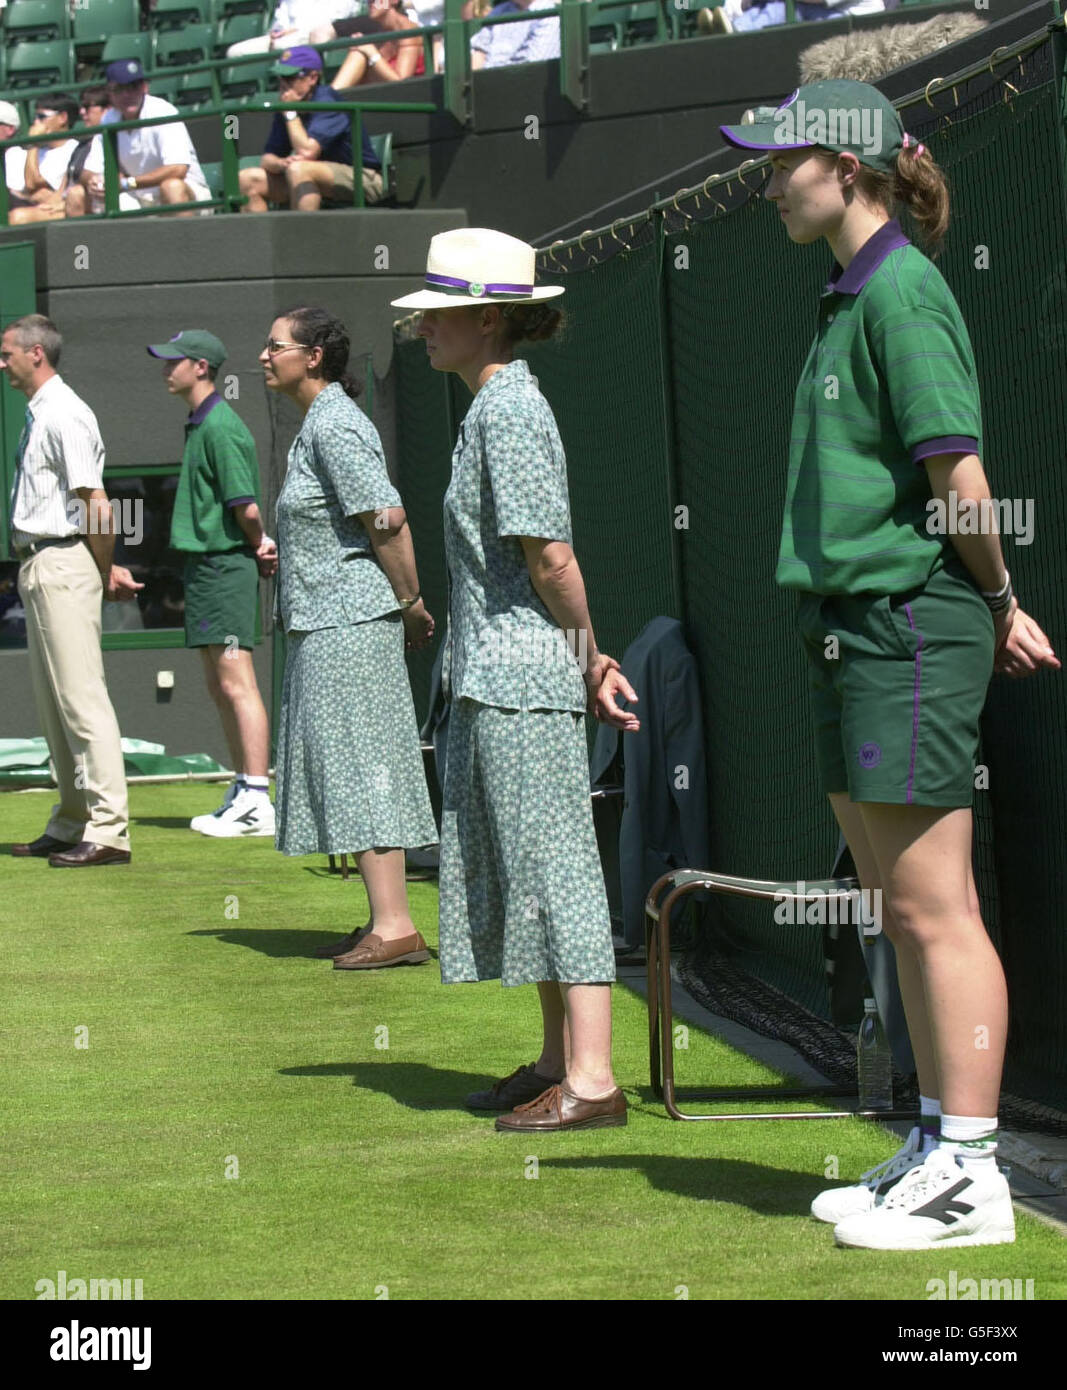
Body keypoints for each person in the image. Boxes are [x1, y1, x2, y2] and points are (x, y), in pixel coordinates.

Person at [720, 81, 1060, 1249]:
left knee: (933, 908)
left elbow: (958, 483)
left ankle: (971, 1176)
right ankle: (934, 1137)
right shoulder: (848, 292)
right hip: (854, 625)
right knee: (898, 908)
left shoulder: (904, 293)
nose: (764, 179)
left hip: (906, 623)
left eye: (780, 161)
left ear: (848, 172)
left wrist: (998, 598)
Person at [390, 228, 639, 1129]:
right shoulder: (489, 408)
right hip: (491, 680)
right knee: (522, 874)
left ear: (489, 316)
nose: (421, 329)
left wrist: (589, 659)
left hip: (523, 680)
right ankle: (551, 1063)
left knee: (556, 871)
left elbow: (552, 560)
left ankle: (594, 1081)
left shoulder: (513, 410)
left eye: (436, 313)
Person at [262, 306, 439, 969]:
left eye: (274, 345)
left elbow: (387, 522)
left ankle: (395, 926)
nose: (263, 355)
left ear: (312, 356)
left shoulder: (336, 425)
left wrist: (412, 603)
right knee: (347, 767)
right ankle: (382, 918)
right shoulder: (319, 424)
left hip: (350, 622)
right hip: (325, 620)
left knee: (366, 767)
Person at [5, 315, 142, 868]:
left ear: (36, 354)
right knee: (54, 706)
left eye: (6, 352)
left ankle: (109, 831)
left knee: (83, 701)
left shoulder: (64, 413)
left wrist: (101, 567)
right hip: (40, 562)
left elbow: (97, 503)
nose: (1, 362)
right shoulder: (41, 415)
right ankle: (71, 821)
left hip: (63, 559)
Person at [145, 330, 277, 837]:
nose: (165, 369)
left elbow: (244, 507)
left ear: (201, 367)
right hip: (208, 569)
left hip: (225, 568)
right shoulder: (201, 424)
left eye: (173, 361)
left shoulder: (221, 427)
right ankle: (244, 787)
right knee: (218, 683)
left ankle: (259, 800)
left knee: (236, 681)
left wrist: (259, 540)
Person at [238, 47, 384, 212]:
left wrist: (290, 113)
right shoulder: (288, 106)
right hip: (311, 176)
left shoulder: (326, 102)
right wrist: (280, 163)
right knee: (247, 179)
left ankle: (302, 236)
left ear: (313, 77)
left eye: (290, 77)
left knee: (299, 169)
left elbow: (307, 152)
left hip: (362, 177)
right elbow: (267, 159)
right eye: (280, 78)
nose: (283, 85)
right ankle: (261, 238)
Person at [70, 59, 211, 219]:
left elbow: (177, 169)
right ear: (110, 93)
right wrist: (95, 181)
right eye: (119, 89)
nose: (127, 94)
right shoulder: (109, 119)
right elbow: (88, 170)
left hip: (187, 193)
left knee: (171, 187)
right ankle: (83, 245)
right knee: (76, 194)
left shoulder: (162, 110)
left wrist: (125, 183)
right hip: (136, 195)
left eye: (133, 87)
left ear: (144, 87)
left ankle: (187, 243)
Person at [310, 0, 427, 90]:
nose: (370, 2)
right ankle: (330, 99)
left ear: (394, 1)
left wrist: (371, 52)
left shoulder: (407, 29)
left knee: (362, 50)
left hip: (409, 98)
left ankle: (329, 100)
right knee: (359, 51)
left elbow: (401, 82)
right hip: (380, 95)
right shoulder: (381, 31)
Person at [5, 93, 79, 225]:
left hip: (54, 212)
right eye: (35, 117)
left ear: (63, 117)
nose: (36, 123)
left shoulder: (74, 149)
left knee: (18, 217)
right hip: (27, 205)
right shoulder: (28, 152)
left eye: (41, 117)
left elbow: (33, 185)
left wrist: (33, 143)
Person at [226, 0, 360, 56]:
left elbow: (337, 18)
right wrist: (277, 31)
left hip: (316, 34)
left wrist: (297, 30)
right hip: (285, 36)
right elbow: (281, 14)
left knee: (280, 47)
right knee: (234, 52)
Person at [469, 0, 560, 69]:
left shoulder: (549, 14)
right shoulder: (499, 11)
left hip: (522, 88)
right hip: (484, 86)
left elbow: (532, 68)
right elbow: (479, 53)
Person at [67, 86, 110, 188]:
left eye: (87, 107)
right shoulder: (83, 144)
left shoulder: (117, 139)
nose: (82, 112)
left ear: (107, 109)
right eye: (81, 107)